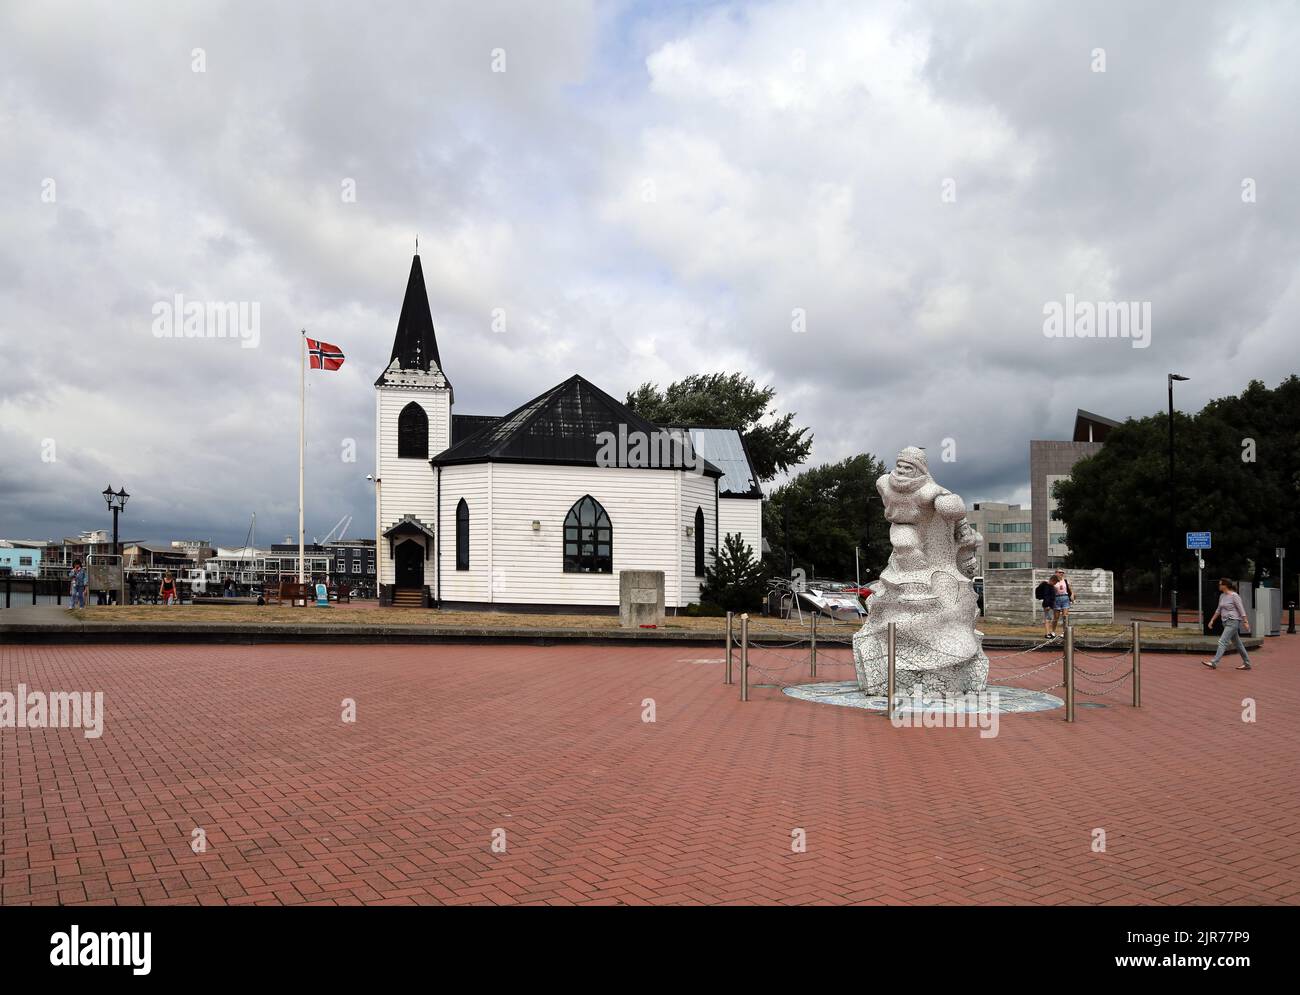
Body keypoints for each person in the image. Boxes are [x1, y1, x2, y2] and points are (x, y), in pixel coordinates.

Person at [1203, 578, 1251, 670]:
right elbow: (1218, 610)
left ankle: (1214, 662)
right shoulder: (1222, 596)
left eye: (1220, 584)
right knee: (1238, 644)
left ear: (1225, 586)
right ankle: (1247, 663)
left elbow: (1241, 609)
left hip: (1233, 621)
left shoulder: (1234, 596)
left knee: (1222, 641)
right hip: (1225, 622)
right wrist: (1212, 620)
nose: (1219, 586)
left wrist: (1245, 622)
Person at [1049, 570, 1072, 638]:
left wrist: (1072, 594)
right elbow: (1050, 590)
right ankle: (1053, 631)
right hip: (1057, 598)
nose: (1061, 573)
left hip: (1065, 598)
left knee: (1065, 616)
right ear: (1056, 573)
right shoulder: (1053, 581)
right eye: (1059, 572)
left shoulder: (1065, 580)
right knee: (1056, 617)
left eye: (1062, 572)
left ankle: (1064, 632)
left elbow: (1070, 589)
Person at [1034, 574, 1057, 639]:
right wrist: (1047, 605)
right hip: (1048, 605)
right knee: (1048, 619)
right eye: (1055, 582)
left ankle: (1048, 633)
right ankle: (1047, 633)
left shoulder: (1049, 586)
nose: (1055, 584)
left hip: (1049, 604)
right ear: (1053, 580)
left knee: (1049, 618)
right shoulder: (1047, 586)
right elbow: (1047, 596)